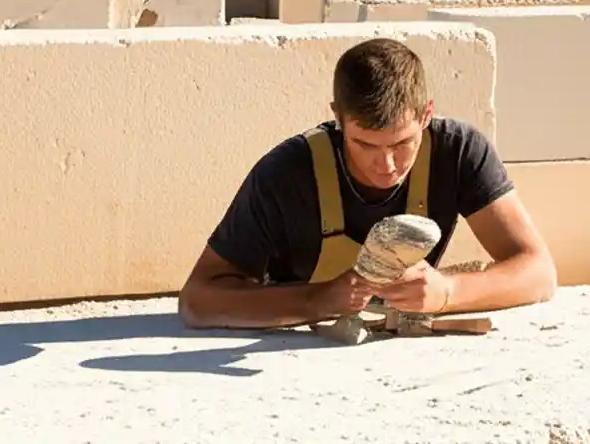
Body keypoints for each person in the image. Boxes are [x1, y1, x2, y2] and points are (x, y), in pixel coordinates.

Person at [178, 37, 557, 329]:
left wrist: (447, 291)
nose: (386, 165)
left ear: (427, 114)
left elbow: (539, 272)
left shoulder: (459, 151)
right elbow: (198, 300)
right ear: (338, 118)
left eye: (402, 143)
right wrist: (317, 301)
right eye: (364, 145)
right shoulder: (287, 172)